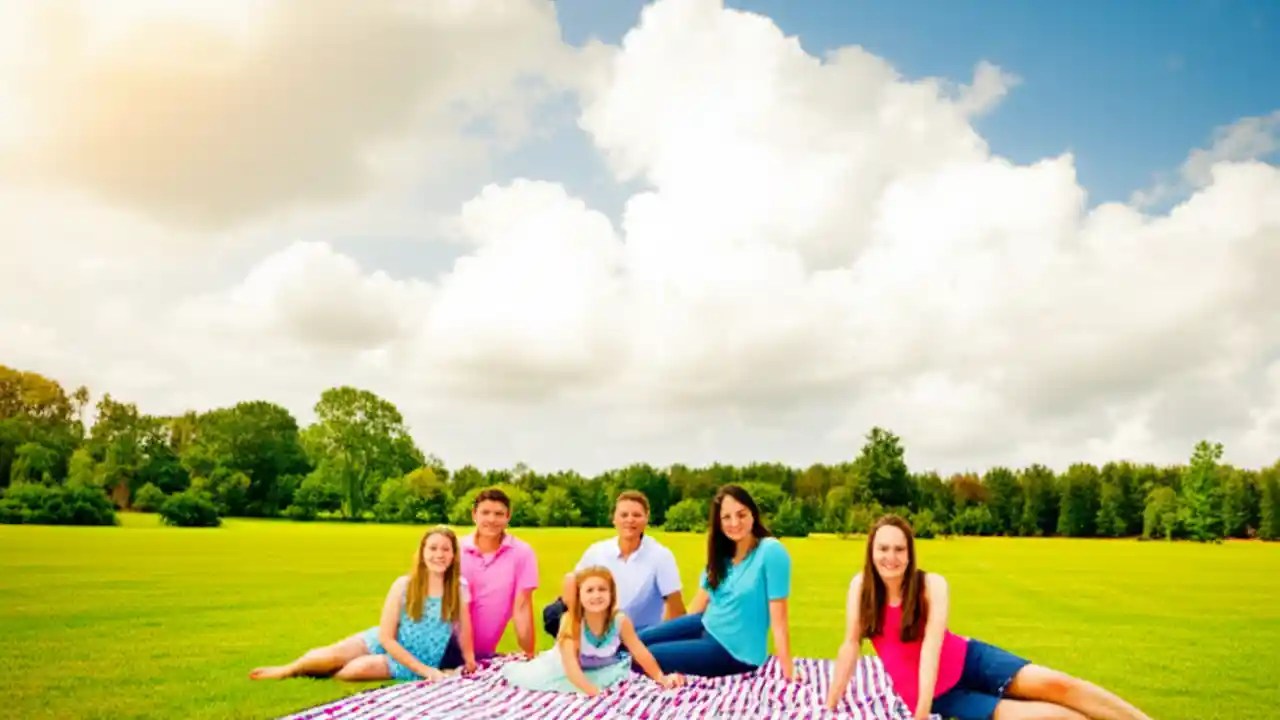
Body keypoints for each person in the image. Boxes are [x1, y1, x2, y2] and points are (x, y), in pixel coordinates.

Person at [825, 515, 1156, 720]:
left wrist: (921, 714)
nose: (891, 557)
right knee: (1054, 717)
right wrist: (831, 704)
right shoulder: (861, 587)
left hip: (971, 659)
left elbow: (931, 649)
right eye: (883, 548)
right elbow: (850, 645)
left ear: (910, 553)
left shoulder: (931, 585)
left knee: (1059, 684)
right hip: (943, 694)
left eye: (899, 549)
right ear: (871, 551)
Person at [249, 525, 476, 681]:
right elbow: (386, 637)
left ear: (454, 555)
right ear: (422, 553)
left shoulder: (458, 588)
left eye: (446, 549)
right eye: (433, 548)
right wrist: (425, 671)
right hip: (387, 641)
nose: (439, 554)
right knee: (332, 656)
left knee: (354, 671)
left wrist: (468, 660)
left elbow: (464, 629)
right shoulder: (404, 585)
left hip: (420, 657)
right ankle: (288, 670)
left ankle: (319, 672)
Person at [636, 484, 795, 679]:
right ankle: (593, 652)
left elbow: (779, 621)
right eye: (726, 517)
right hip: (705, 624)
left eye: (741, 514)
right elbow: (698, 606)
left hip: (734, 651)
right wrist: (673, 632)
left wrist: (789, 672)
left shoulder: (771, 552)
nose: (735, 523)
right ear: (719, 523)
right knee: (637, 638)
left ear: (753, 514)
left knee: (643, 655)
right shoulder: (722, 555)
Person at [502, 566, 684, 695]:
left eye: (602, 590)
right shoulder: (571, 621)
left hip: (604, 668)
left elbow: (639, 650)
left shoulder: (619, 620)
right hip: (567, 672)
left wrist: (660, 677)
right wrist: (591, 692)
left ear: (612, 594)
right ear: (579, 596)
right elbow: (571, 666)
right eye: (589, 591)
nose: (596, 595)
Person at [542, 490, 684, 638]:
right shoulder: (598, 550)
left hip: (639, 632)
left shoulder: (661, 556)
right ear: (614, 519)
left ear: (646, 518)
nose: (630, 520)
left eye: (636, 515)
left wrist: (661, 637)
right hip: (598, 622)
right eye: (624, 515)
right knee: (553, 613)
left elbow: (676, 608)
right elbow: (572, 584)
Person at [445, 487, 539, 664]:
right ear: (474, 514)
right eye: (485, 512)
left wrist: (530, 655)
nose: (491, 519)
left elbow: (523, 607)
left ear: (508, 516)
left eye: (498, 514)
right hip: (440, 641)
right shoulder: (455, 548)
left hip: (480, 653)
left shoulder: (522, 553)